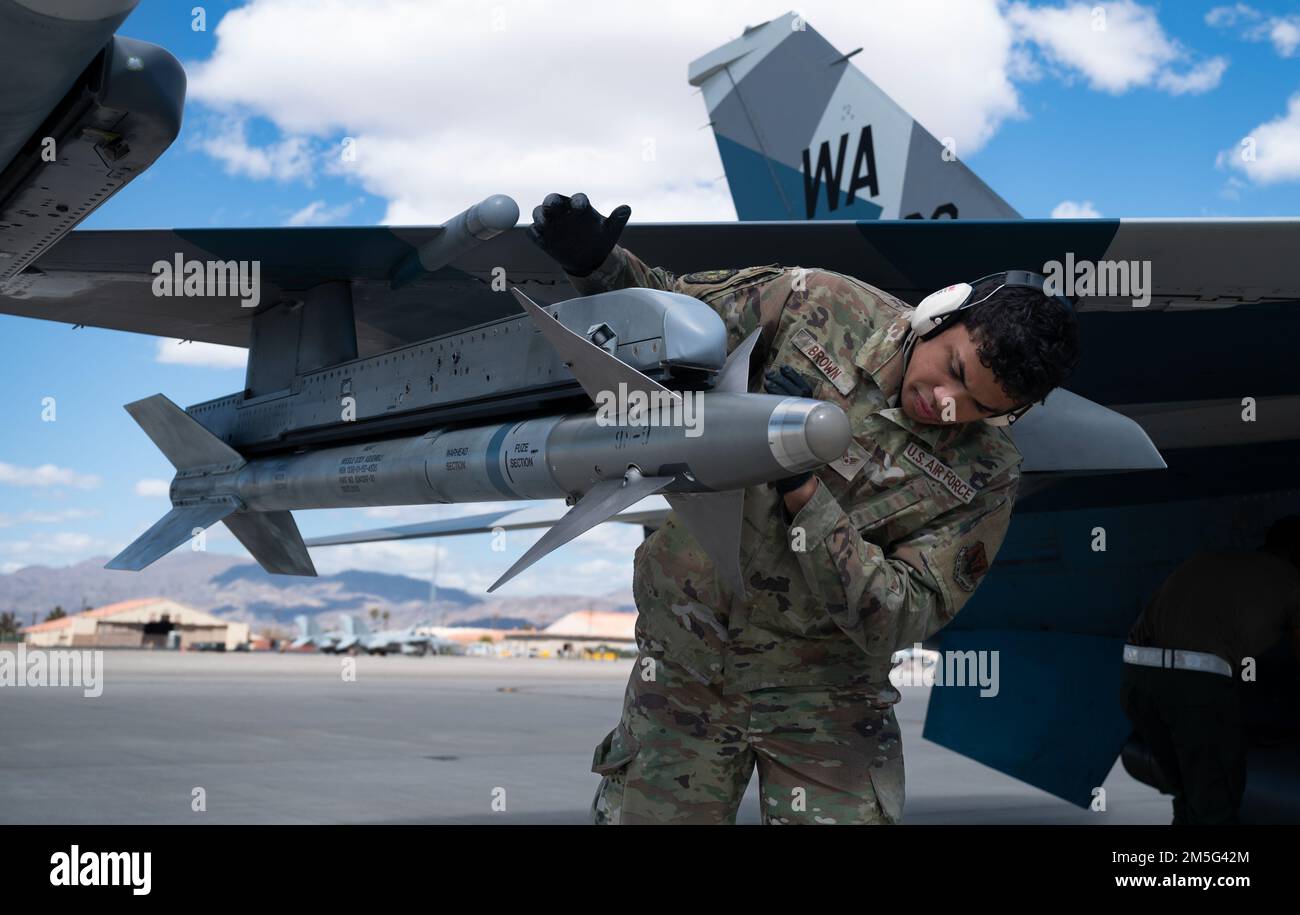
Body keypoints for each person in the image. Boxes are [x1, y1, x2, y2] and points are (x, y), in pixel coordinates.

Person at [528, 192, 1081, 824]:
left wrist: (805, 491)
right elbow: (671, 318)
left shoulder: (986, 472)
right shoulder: (817, 304)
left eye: (979, 405)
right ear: (940, 314)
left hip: (826, 702)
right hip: (686, 667)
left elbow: (904, 615)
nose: (946, 402)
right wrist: (596, 264)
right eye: (952, 368)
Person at [1120, 516, 1300, 824]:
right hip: (1193, 687)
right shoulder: (1293, 582)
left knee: (1189, 796)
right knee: (1216, 804)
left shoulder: (1207, 559)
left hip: (1136, 680)